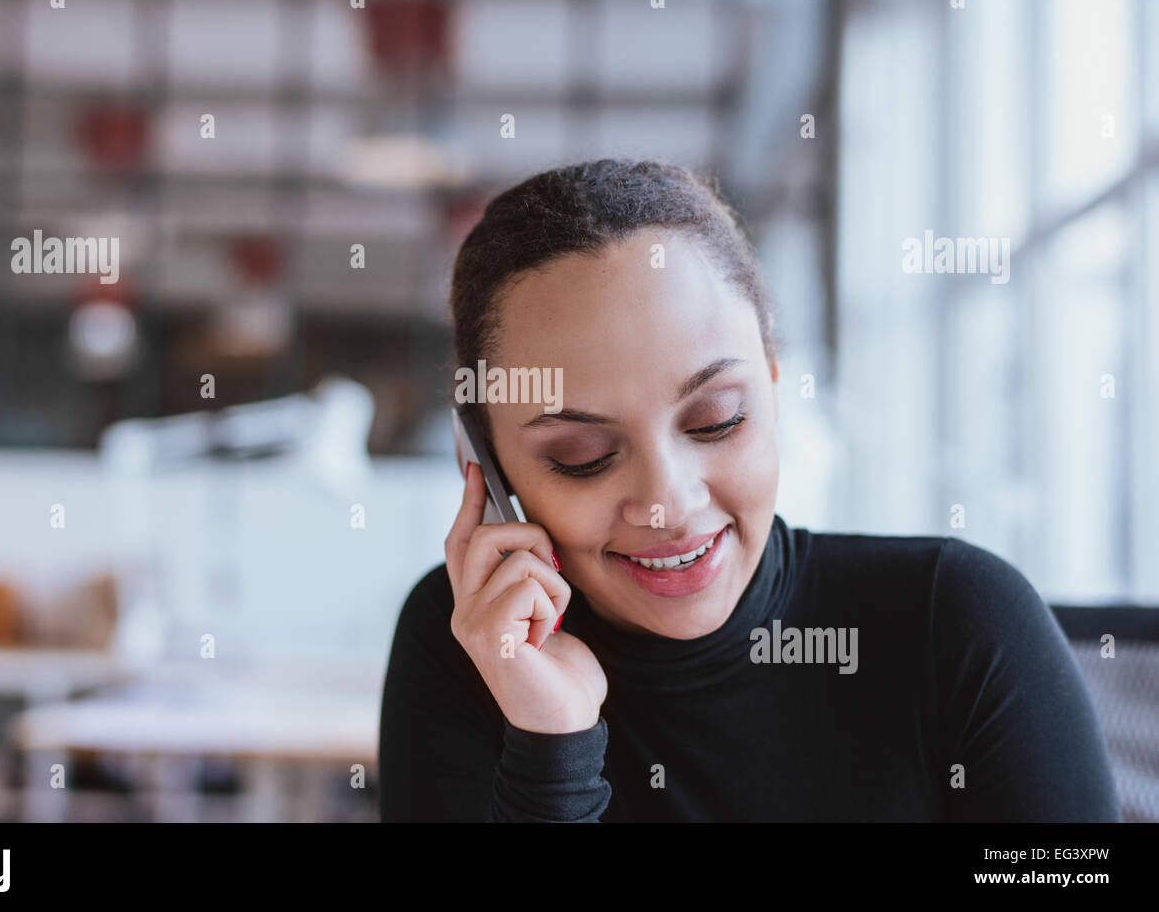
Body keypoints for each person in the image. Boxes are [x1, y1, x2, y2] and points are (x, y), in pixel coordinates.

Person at [378, 157, 1120, 822]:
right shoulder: (466, 649)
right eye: (584, 455)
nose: (668, 500)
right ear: (482, 464)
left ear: (771, 385)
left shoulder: (955, 620)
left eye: (714, 420)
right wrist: (551, 754)